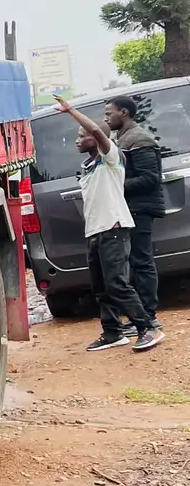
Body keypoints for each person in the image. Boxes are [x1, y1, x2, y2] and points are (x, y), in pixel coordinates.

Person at [54, 97, 163, 352]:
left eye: (82, 136)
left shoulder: (110, 158)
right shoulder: (89, 165)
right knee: (101, 288)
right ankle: (113, 332)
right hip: (95, 231)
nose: (77, 140)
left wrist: (71, 110)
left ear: (96, 140)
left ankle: (148, 327)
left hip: (113, 228)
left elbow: (95, 129)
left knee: (117, 284)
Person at [105, 94, 165, 335]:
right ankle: (142, 315)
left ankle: (149, 316)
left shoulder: (139, 138)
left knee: (142, 261)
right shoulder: (123, 138)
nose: (106, 118)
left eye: (109, 113)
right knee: (136, 261)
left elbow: (150, 178)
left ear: (124, 113)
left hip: (140, 208)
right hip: (130, 207)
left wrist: (115, 185)